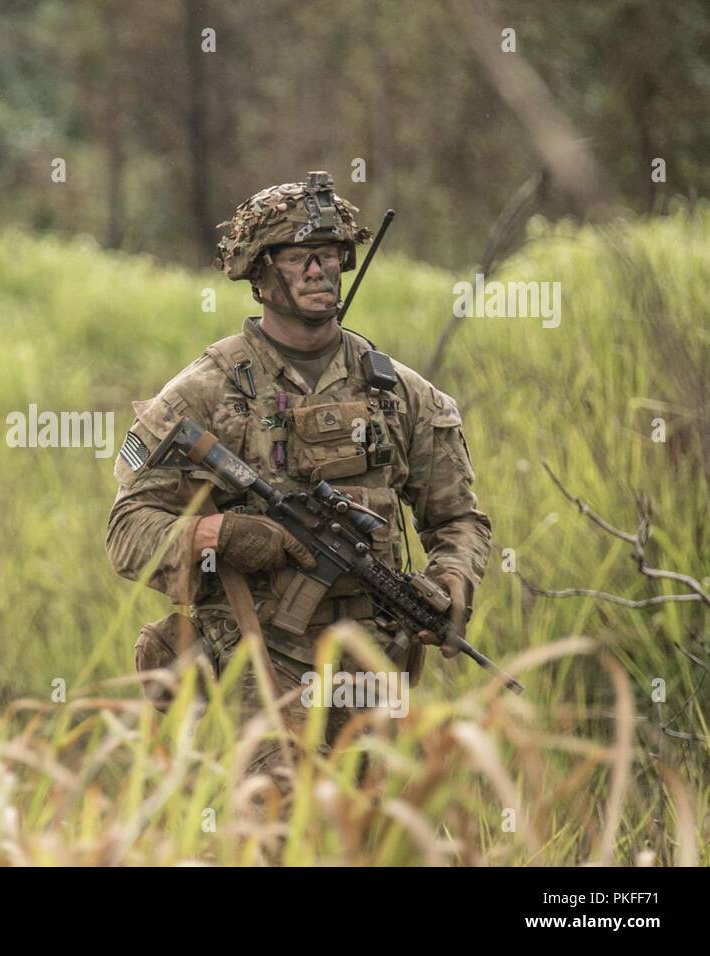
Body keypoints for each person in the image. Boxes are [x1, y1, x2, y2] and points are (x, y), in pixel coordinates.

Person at [105, 171, 492, 787]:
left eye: (330, 255)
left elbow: (458, 519)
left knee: (383, 844)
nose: (319, 270)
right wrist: (222, 533)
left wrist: (450, 584)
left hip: (376, 676)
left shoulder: (398, 394)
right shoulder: (205, 395)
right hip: (260, 677)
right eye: (297, 257)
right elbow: (128, 531)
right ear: (259, 274)